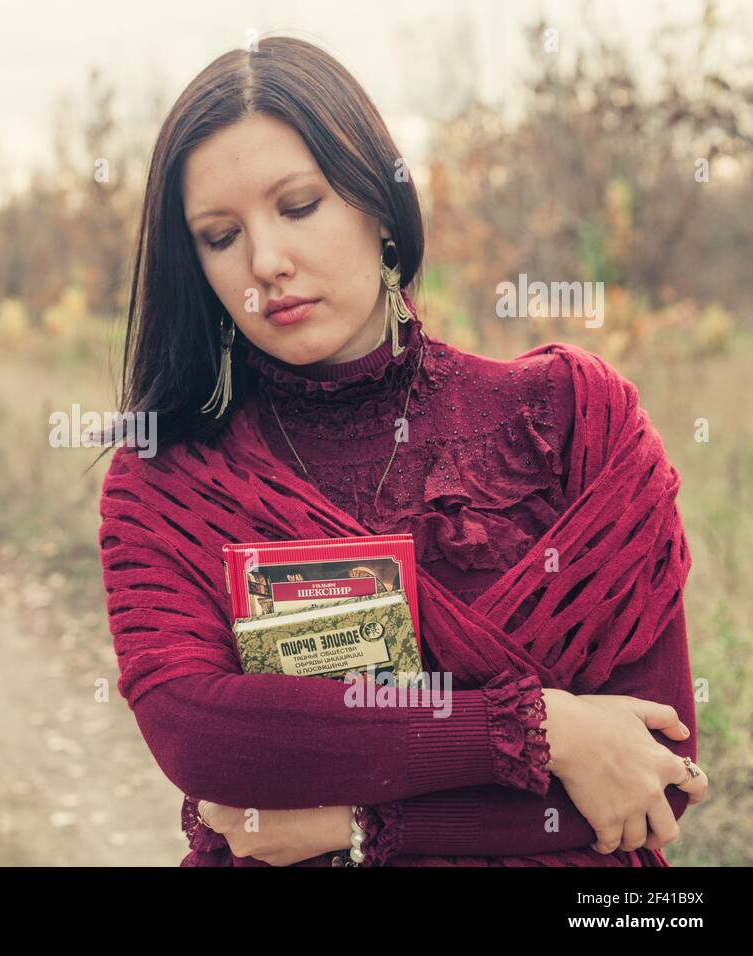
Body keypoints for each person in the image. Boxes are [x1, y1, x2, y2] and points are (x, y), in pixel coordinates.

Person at [94, 35, 707, 866]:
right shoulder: (169, 476)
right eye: (218, 234)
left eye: (299, 206)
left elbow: (657, 774)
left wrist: (355, 826)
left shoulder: (569, 419)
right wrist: (536, 728)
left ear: (380, 205)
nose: (266, 262)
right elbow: (203, 733)